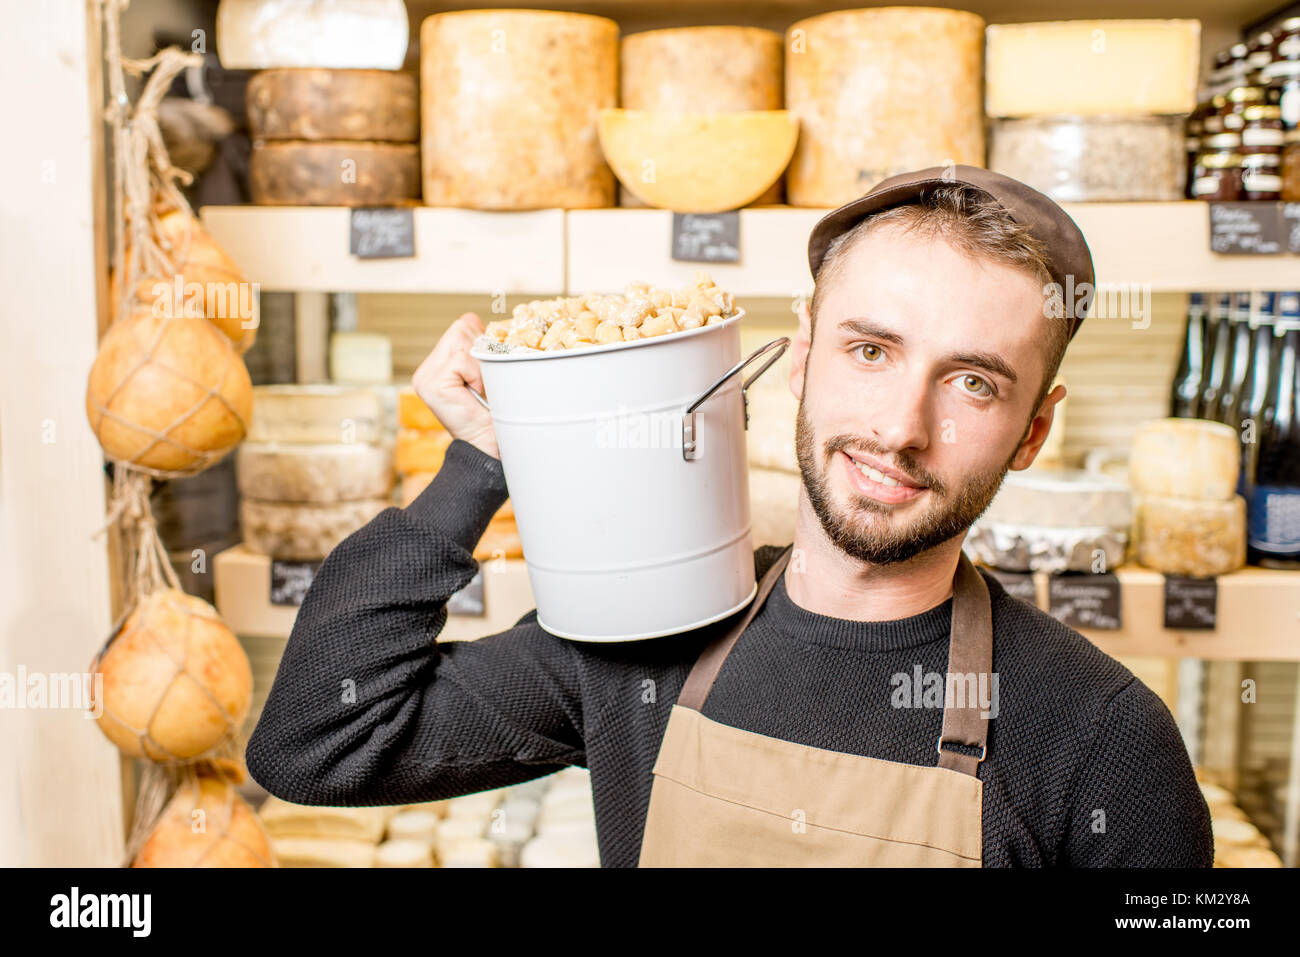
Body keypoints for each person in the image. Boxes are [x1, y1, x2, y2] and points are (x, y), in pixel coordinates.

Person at [246, 166, 1213, 867]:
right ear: (799, 358)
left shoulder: (1103, 736)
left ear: (1034, 430)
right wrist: (490, 457)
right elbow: (315, 743)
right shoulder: (644, 639)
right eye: (869, 350)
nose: (899, 428)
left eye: (971, 381)